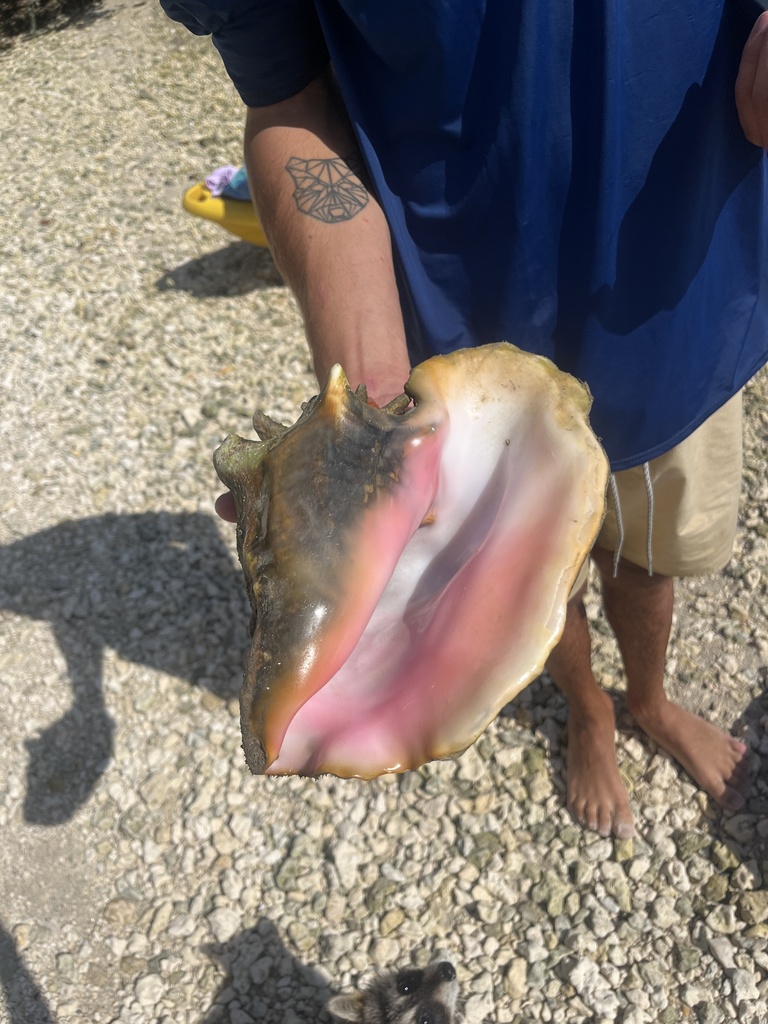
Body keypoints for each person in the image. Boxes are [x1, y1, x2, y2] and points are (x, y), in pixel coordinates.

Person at [160, 0, 768, 838]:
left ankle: (652, 702)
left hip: (680, 288)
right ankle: (589, 711)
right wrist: (361, 423)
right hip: (455, 325)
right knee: (529, 576)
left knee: (647, 568)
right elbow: (288, 101)